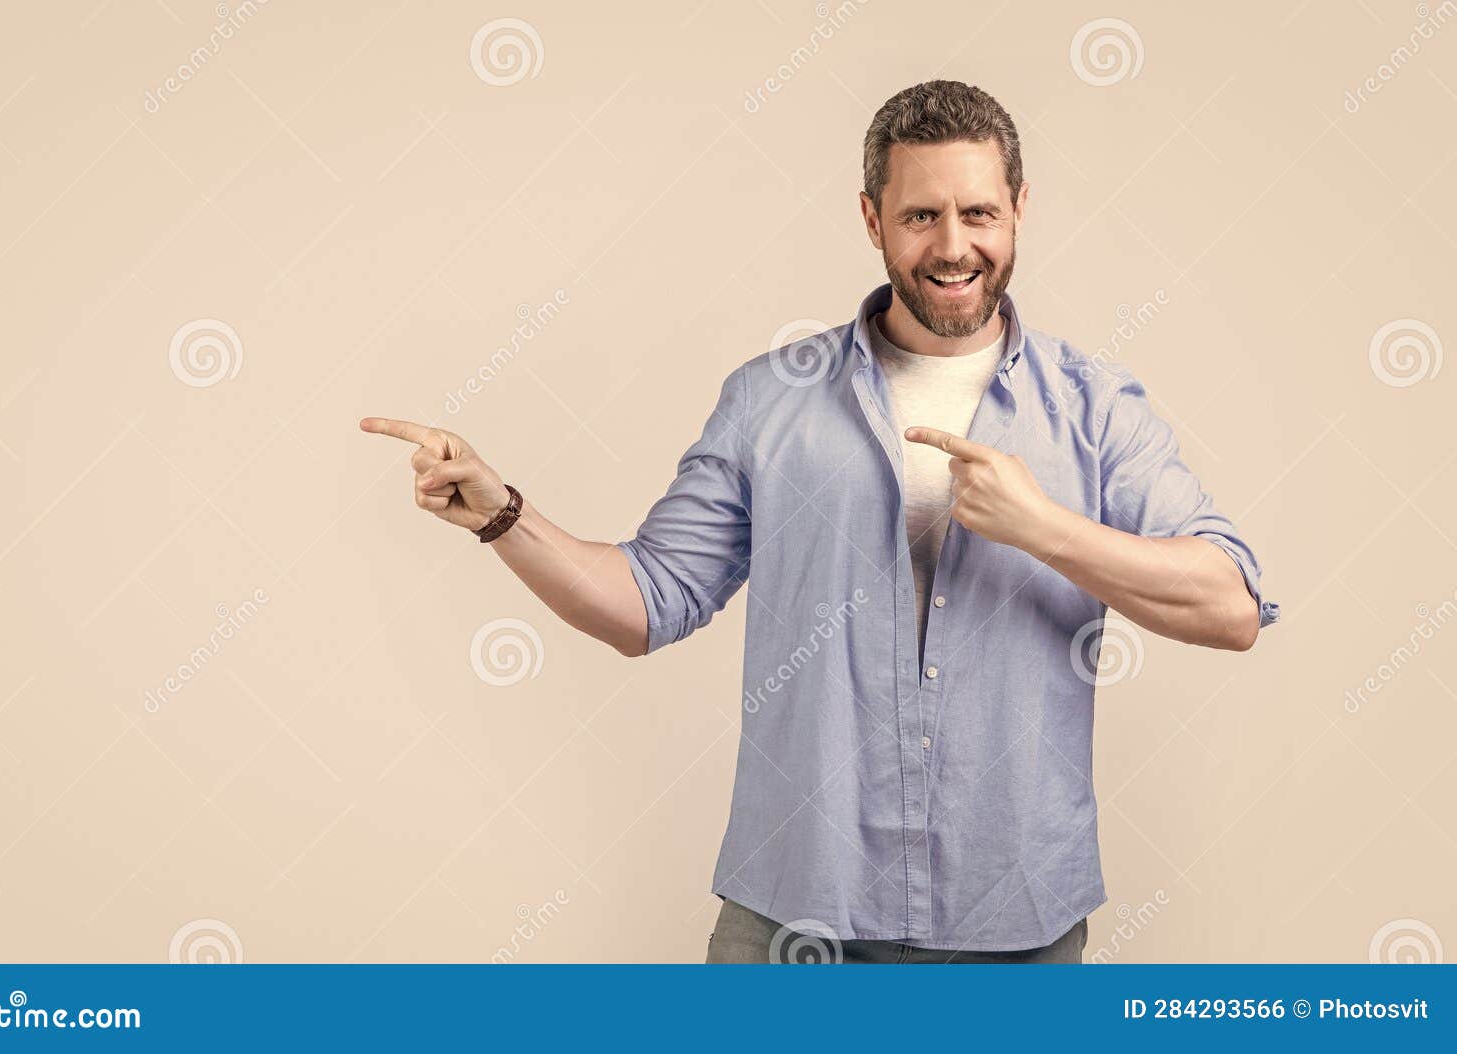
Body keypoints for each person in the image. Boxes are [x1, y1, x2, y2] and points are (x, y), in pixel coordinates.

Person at [360, 80, 1278, 965]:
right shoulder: (771, 402)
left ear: (1020, 209)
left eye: (979, 214)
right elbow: (646, 604)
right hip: (796, 924)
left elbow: (1230, 606)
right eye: (921, 216)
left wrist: (1044, 528)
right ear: (873, 218)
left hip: (1016, 929)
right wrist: (503, 516)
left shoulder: (1095, 409)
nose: (954, 247)